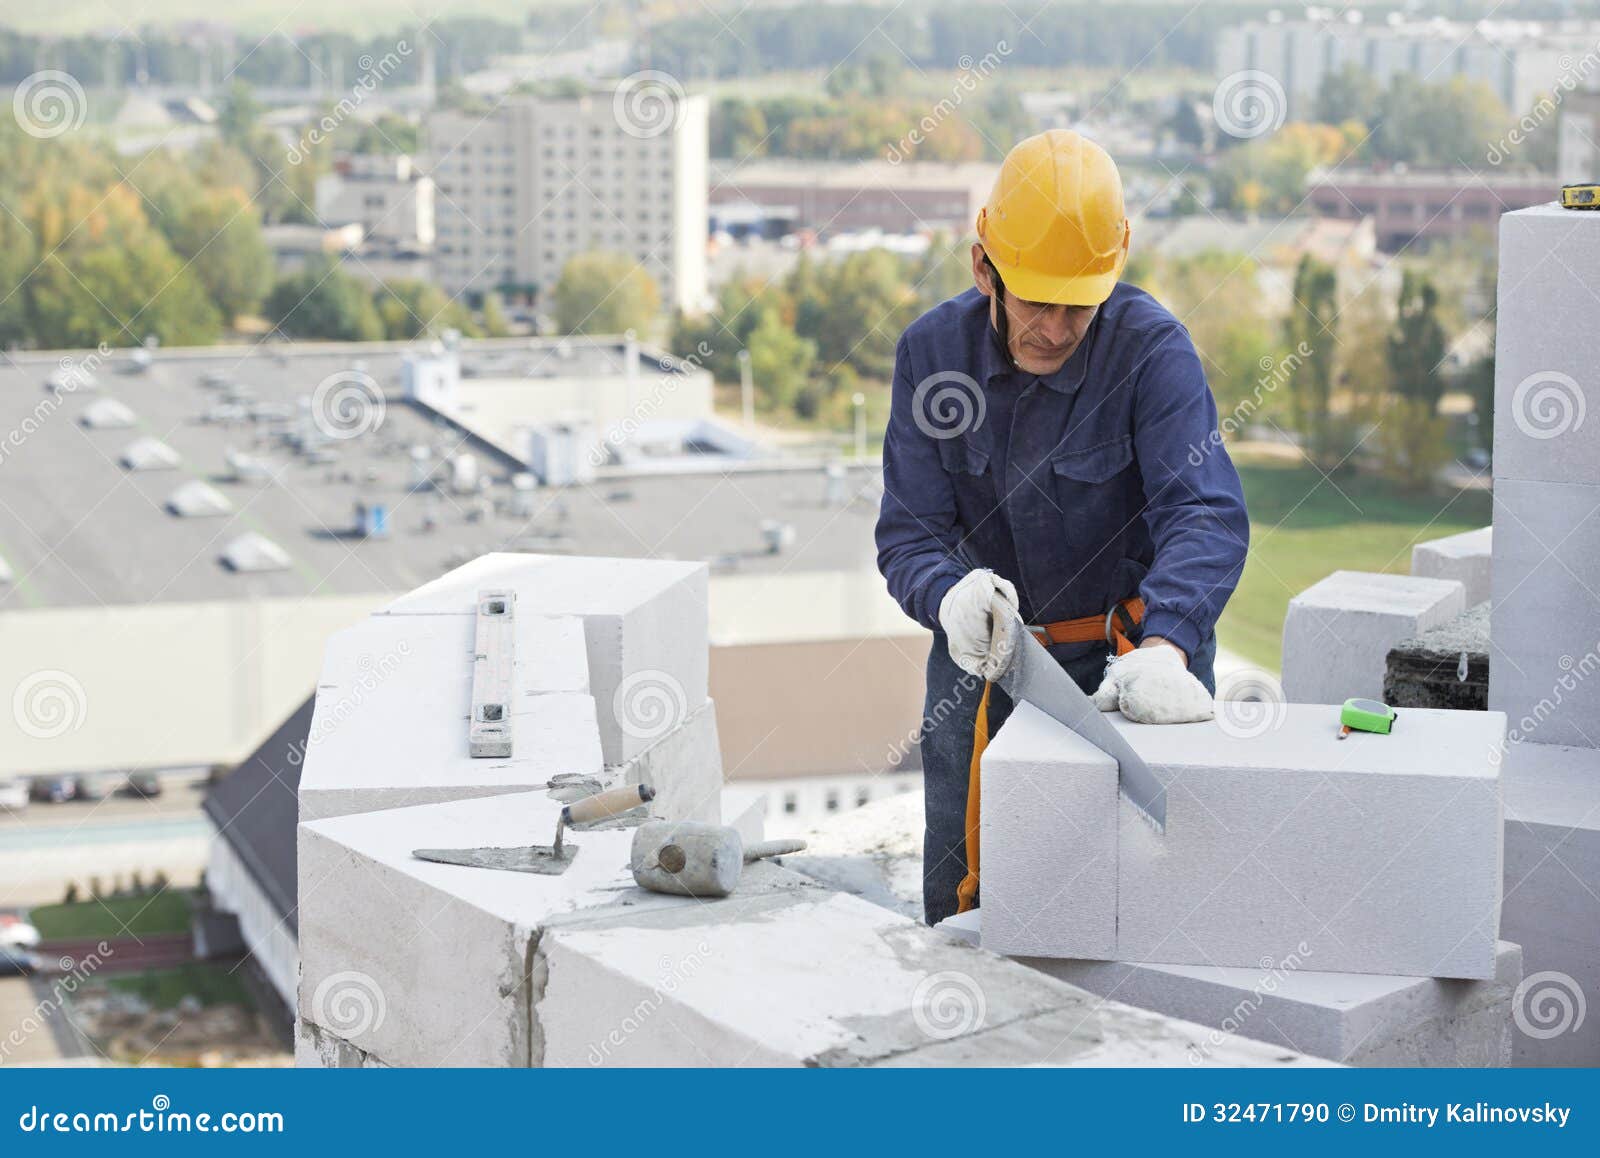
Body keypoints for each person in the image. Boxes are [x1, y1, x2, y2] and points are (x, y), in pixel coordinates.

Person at [874, 130, 1249, 927]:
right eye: (1037, 301)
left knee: (1151, 916)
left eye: (1079, 306)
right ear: (985, 268)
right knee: (970, 917)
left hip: (1131, 671)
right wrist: (948, 598)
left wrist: (1168, 645)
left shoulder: (1153, 353)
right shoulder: (932, 355)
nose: (1056, 327)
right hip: (981, 673)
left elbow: (1204, 511)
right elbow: (908, 535)